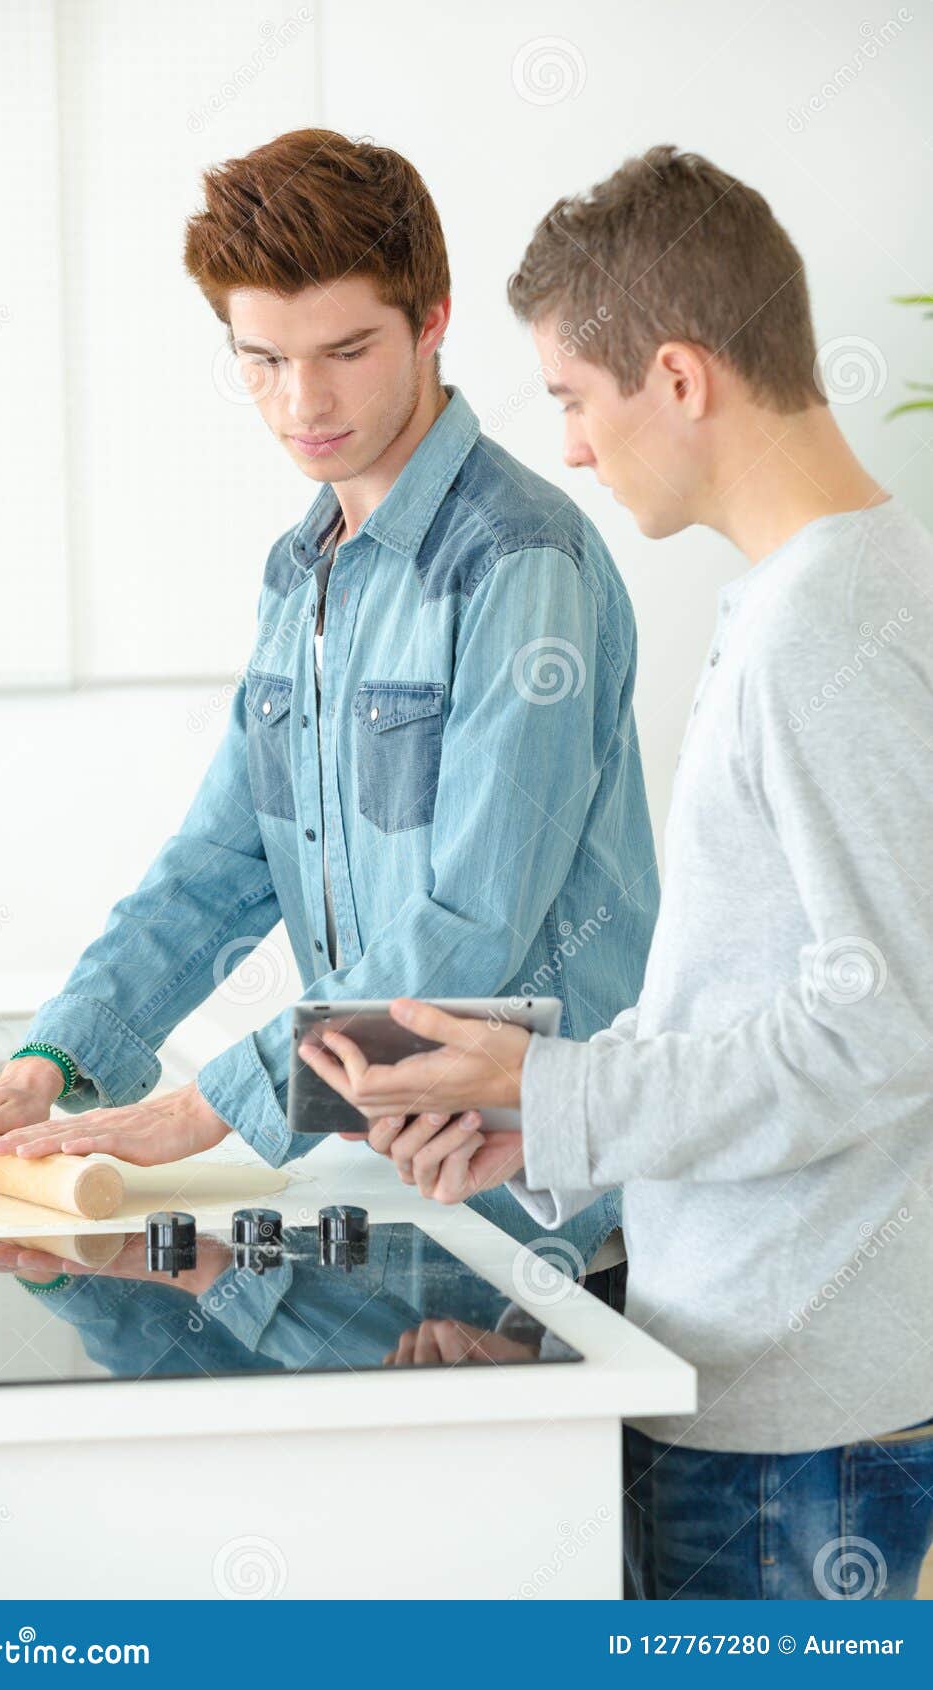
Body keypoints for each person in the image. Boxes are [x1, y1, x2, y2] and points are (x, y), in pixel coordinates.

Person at [0, 129, 658, 1301]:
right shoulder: (303, 574)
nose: (304, 401)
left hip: (535, 1220)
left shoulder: (517, 559)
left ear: (431, 318)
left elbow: (471, 929)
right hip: (397, 1198)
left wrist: (200, 1110)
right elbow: (218, 863)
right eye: (261, 360)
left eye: (345, 349)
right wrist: (56, 1055)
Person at [299, 145, 933, 1600]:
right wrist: (564, 1129)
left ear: (678, 377)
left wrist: (549, 1088)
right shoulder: (811, 596)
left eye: (576, 399)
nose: (570, 447)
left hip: (793, 1419)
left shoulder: (822, 630)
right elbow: (754, 992)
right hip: (767, 1380)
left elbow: (879, 1025)